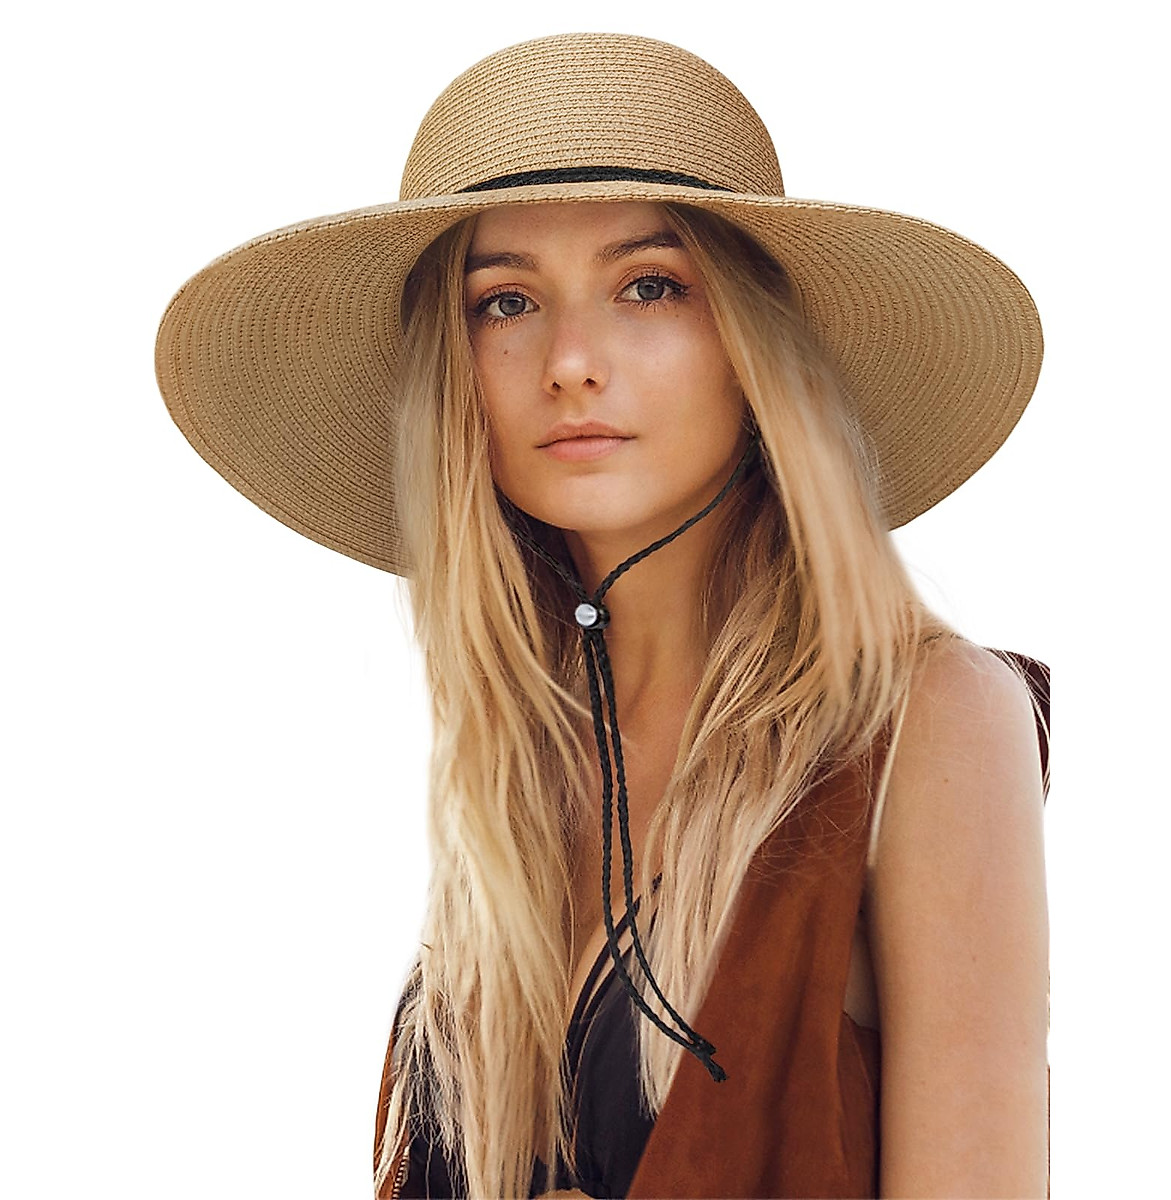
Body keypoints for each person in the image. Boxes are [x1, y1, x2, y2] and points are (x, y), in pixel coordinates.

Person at [155, 32, 1051, 1200]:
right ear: (455, 373)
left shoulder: (924, 724)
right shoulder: (513, 779)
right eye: (506, 301)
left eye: (649, 285)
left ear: (751, 345)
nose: (571, 361)